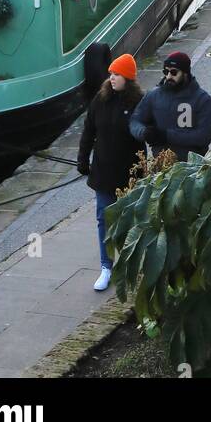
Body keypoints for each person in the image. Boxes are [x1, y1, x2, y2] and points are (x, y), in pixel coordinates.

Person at [76, 54, 144, 292]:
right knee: (104, 220)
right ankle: (106, 266)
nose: (112, 78)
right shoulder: (100, 100)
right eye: (111, 74)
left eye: (117, 74)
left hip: (129, 173)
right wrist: (82, 161)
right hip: (103, 172)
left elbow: (146, 132)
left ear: (128, 78)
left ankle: (128, 264)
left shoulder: (138, 103)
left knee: (129, 220)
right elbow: (88, 131)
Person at [129, 51, 211, 162]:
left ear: (185, 73)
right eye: (166, 71)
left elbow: (204, 136)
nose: (168, 76)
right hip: (161, 167)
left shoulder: (202, 99)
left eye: (174, 72)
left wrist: (167, 136)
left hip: (192, 168)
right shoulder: (153, 95)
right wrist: (144, 132)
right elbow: (135, 121)